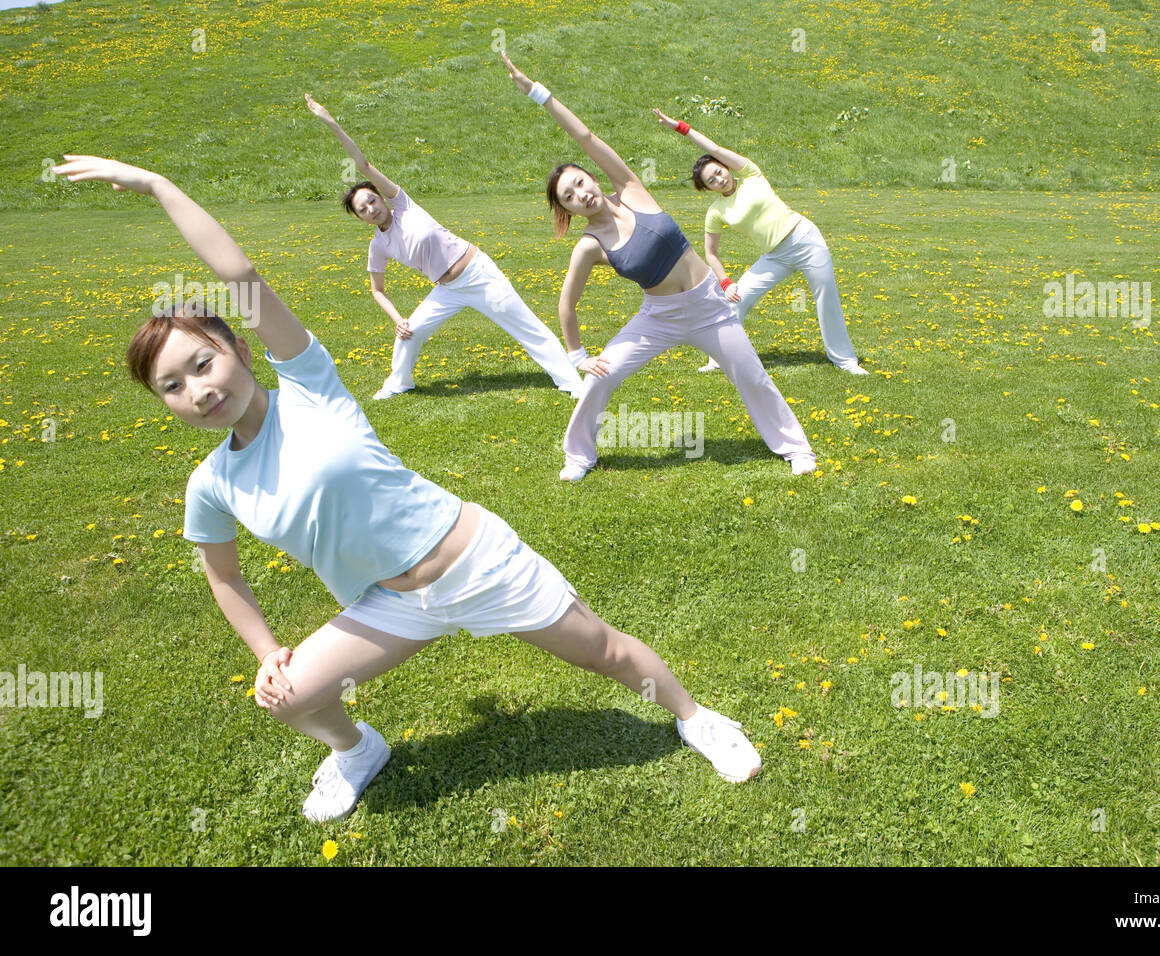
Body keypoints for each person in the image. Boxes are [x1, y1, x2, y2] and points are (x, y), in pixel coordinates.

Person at [51, 154, 764, 822]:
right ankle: (357, 749)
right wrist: (268, 652)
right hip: (389, 605)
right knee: (291, 697)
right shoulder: (210, 484)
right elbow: (225, 578)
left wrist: (154, 185)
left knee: (605, 652)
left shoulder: (307, 384)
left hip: (475, 560)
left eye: (202, 364)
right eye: (171, 387)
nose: (197, 391)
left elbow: (237, 271)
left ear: (239, 348)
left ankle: (696, 718)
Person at [501, 54, 818, 482]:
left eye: (579, 182)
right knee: (600, 378)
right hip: (659, 319)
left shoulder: (631, 189)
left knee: (753, 377)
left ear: (592, 177)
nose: (580, 193)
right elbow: (567, 303)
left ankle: (795, 449)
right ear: (568, 211)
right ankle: (577, 456)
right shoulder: (589, 246)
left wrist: (538, 93)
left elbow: (585, 136)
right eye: (569, 197)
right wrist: (578, 356)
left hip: (709, 305)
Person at [304, 94, 584, 401]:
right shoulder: (378, 246)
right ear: (360, 217)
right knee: (410, 333)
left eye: (371, 200)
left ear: (381, 198)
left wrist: (330, 121)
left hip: (477, 272)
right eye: (362, 209)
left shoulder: (403, 204)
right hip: (447, 289)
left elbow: (364, 165)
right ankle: (400, 382)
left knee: (526, 326)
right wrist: (398, 319)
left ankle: (571, 381)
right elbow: (377, 290)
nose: (370, 208)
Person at [651, 108, 867, 376]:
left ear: (725, 166)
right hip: (775, 256)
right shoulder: (716, 212)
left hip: (805, 240)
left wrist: (680, 127)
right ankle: (718, 358)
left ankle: (845, 360)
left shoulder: (751, 173)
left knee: (826, 299)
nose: (720, 179)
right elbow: (711, 252)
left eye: (719, 171)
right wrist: (726, 282)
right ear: (707, 189)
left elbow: (714, 147)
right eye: (711, 180)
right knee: (732, 301)